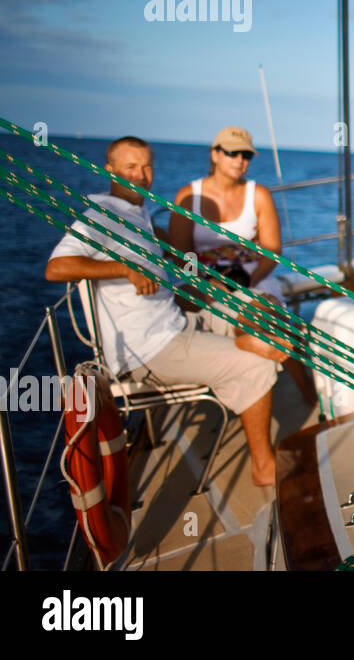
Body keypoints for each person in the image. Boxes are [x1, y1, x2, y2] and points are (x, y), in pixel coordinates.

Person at [45, 136, 281, 487]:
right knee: (258, 362)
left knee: (257, 304)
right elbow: (56, 268)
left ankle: (251, 342)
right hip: (151, 348)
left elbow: (165, 246)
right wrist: (124, 268)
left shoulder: (134, 212)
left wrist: (200, 270)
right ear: (109, 170)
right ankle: (265, 466)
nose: (140, 175)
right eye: (130, 167)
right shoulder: (102, 217)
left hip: (174, 320)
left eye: (146, 166)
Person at [168, 126, 316, 404]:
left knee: (269, 307)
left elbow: (272, 252)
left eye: (246, 155)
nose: (239, 160)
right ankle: (245, 350)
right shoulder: (188, 195)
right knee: (185, 303)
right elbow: (181, 254)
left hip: (253, 275)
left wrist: (245, 281)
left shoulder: (258, 194)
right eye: (232, 153)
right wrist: (201, 281)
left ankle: (302, 385)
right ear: (215, 154)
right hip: (204, 277)